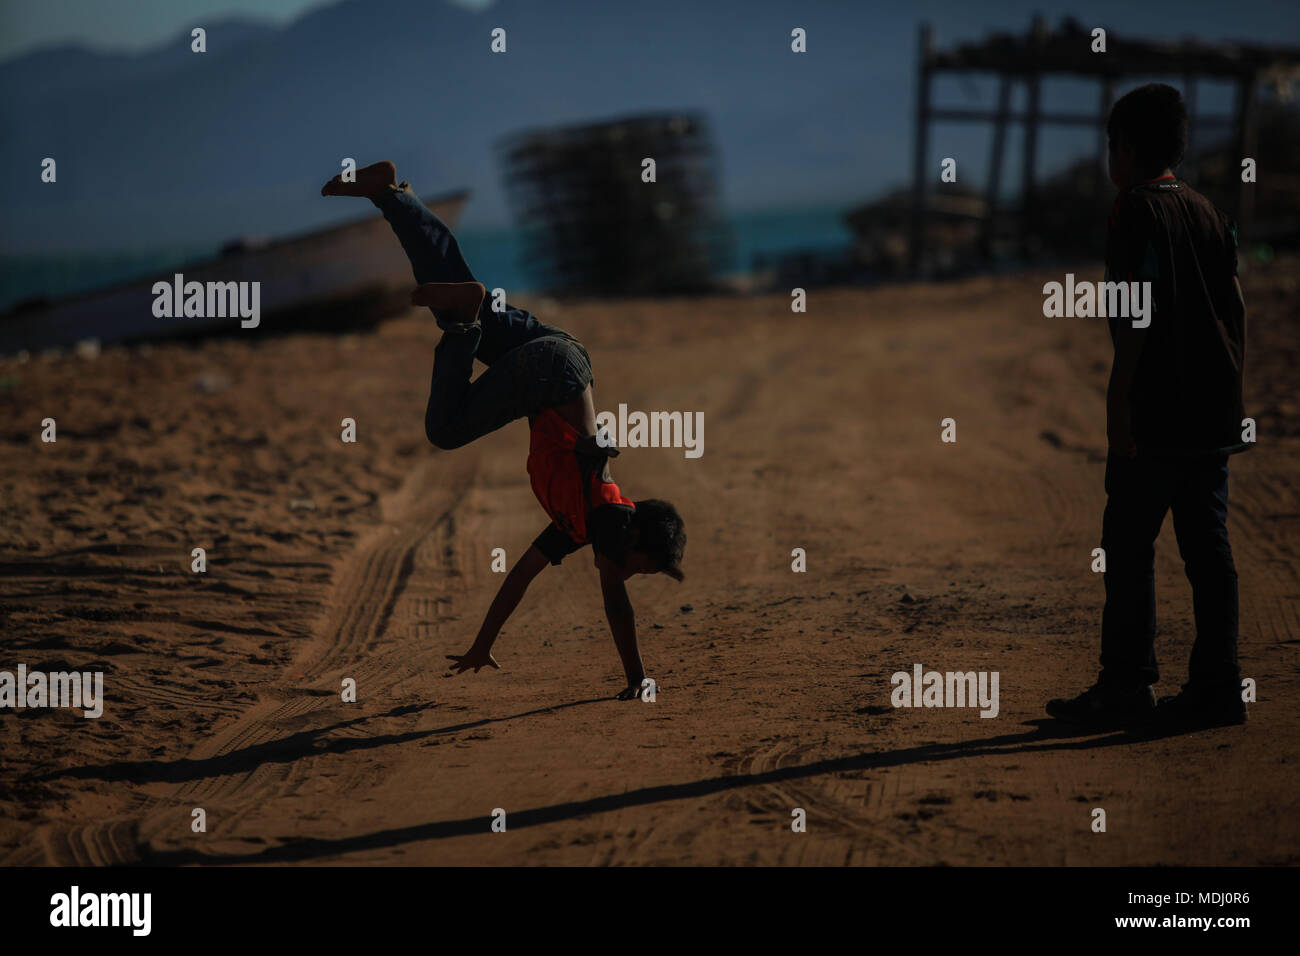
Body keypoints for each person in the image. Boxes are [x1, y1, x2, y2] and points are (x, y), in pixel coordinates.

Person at [323, 161, 686, 700]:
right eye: (645, 569)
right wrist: (639, 679)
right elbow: (616, 605)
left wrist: (481, 644)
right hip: (550, 374)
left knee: (446, 280)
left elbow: (518, 579)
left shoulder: (576, 525)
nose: (633, 576)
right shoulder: (607, 519)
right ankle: (464, 318)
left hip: (559, 353)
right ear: (635, 539)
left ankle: (389, 195)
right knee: (445, 429)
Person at [1047, 84, 1249, 731]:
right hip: (1212, 413)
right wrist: (1227, 382)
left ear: (1126, 150)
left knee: (1128, 545)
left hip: (1156, 411)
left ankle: (1127, 687)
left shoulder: (1132, 211)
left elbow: (1135, 318)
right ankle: (1219, 687)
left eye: (1112, 147)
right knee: (1208, 549)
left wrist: (1117, 406)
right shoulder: (1208, 212)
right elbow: (1237, 309)